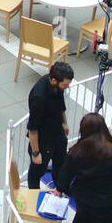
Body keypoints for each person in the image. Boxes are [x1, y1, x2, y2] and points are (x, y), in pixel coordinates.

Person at [27, 61, 72, 189]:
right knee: (36, 172)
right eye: (65, 85)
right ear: (53, 80)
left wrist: (64, 122)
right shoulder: (39, 98)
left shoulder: (58, 86)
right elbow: (32, 129)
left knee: (61, 163)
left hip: (57, 132)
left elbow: (60, 103)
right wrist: (36, 153)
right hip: (43, 140)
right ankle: (34, 197)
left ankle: (60, 188)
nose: (67, 87)